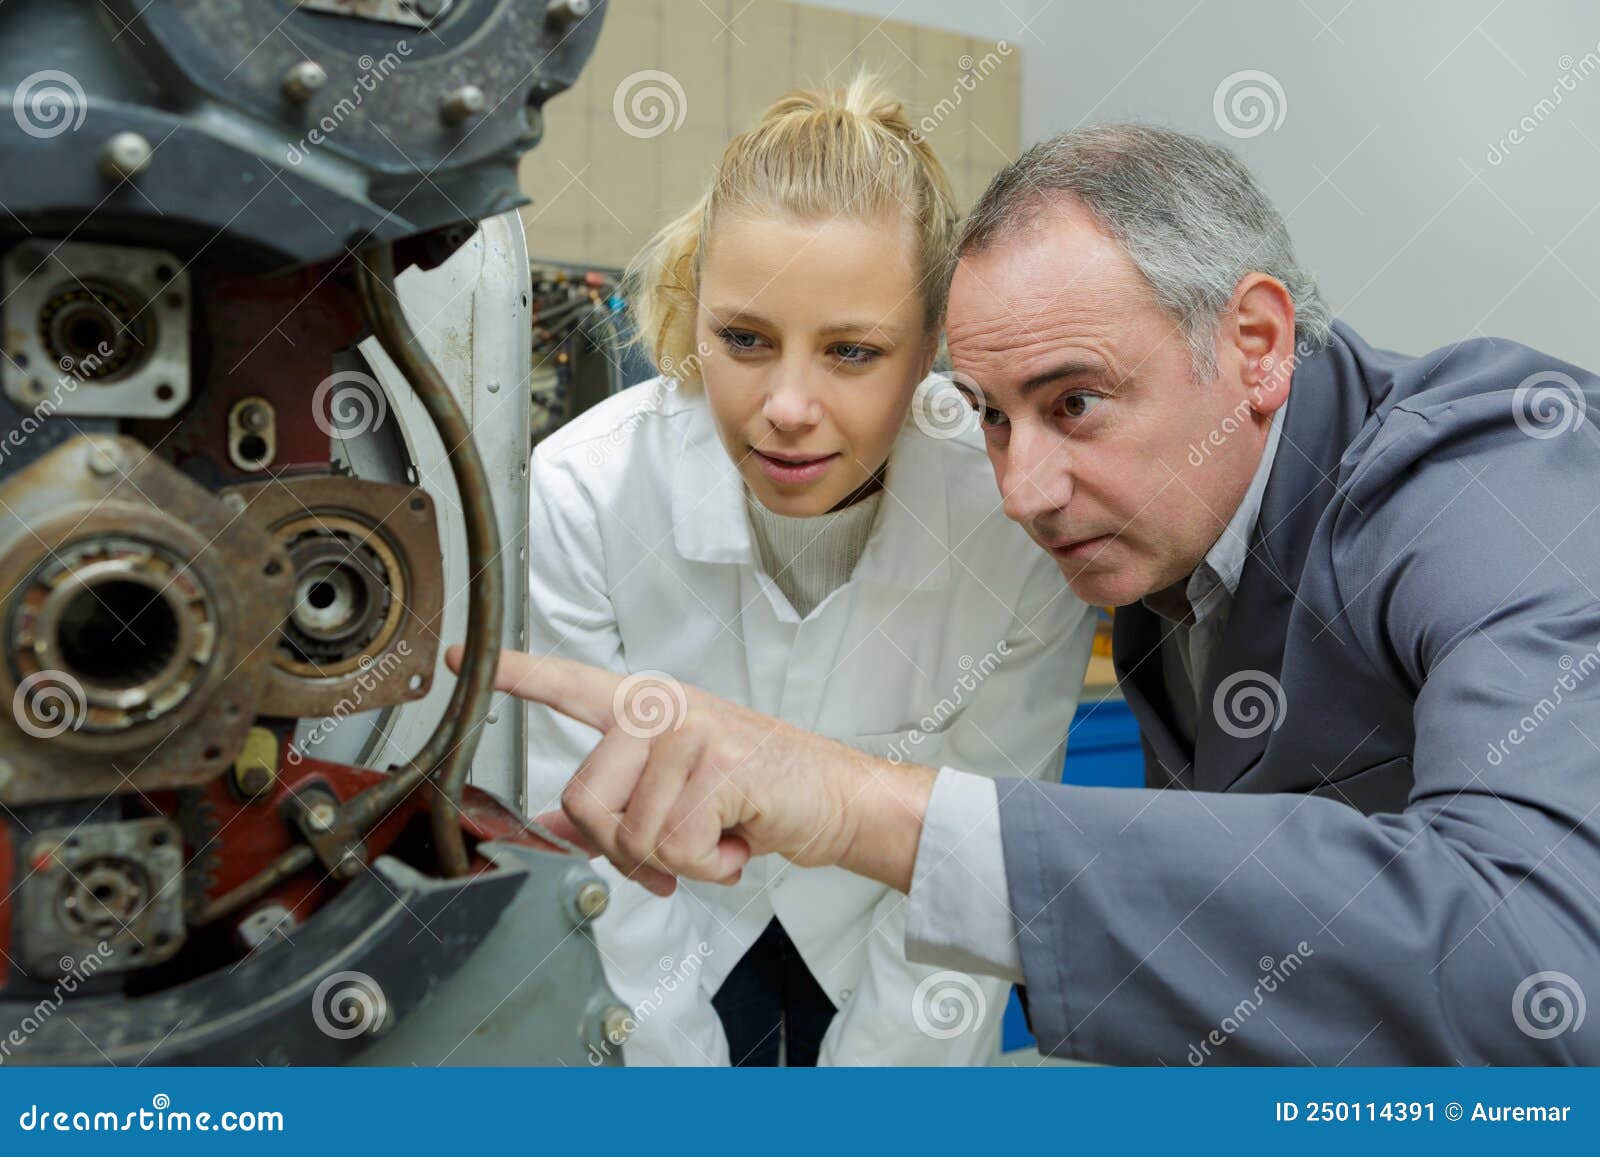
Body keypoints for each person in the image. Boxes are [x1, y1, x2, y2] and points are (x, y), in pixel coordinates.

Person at [458, 122, 1600, 1066]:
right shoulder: (1170, 559)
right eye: (990, 414)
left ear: (1256, 342)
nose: (1020, 492)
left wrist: (858, 806)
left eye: (1075, 402)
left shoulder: (1500, 471)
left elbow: (1541, 966)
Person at [517, 76, 1097, 1066]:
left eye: (852, 352)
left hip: (898, 955)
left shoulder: (1010, 514)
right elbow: (594, 857)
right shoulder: (586, 490)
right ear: (695, 312)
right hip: (664, 944)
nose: (787, 406)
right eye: (744, 339)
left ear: (929, 348)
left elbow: (972, 851)